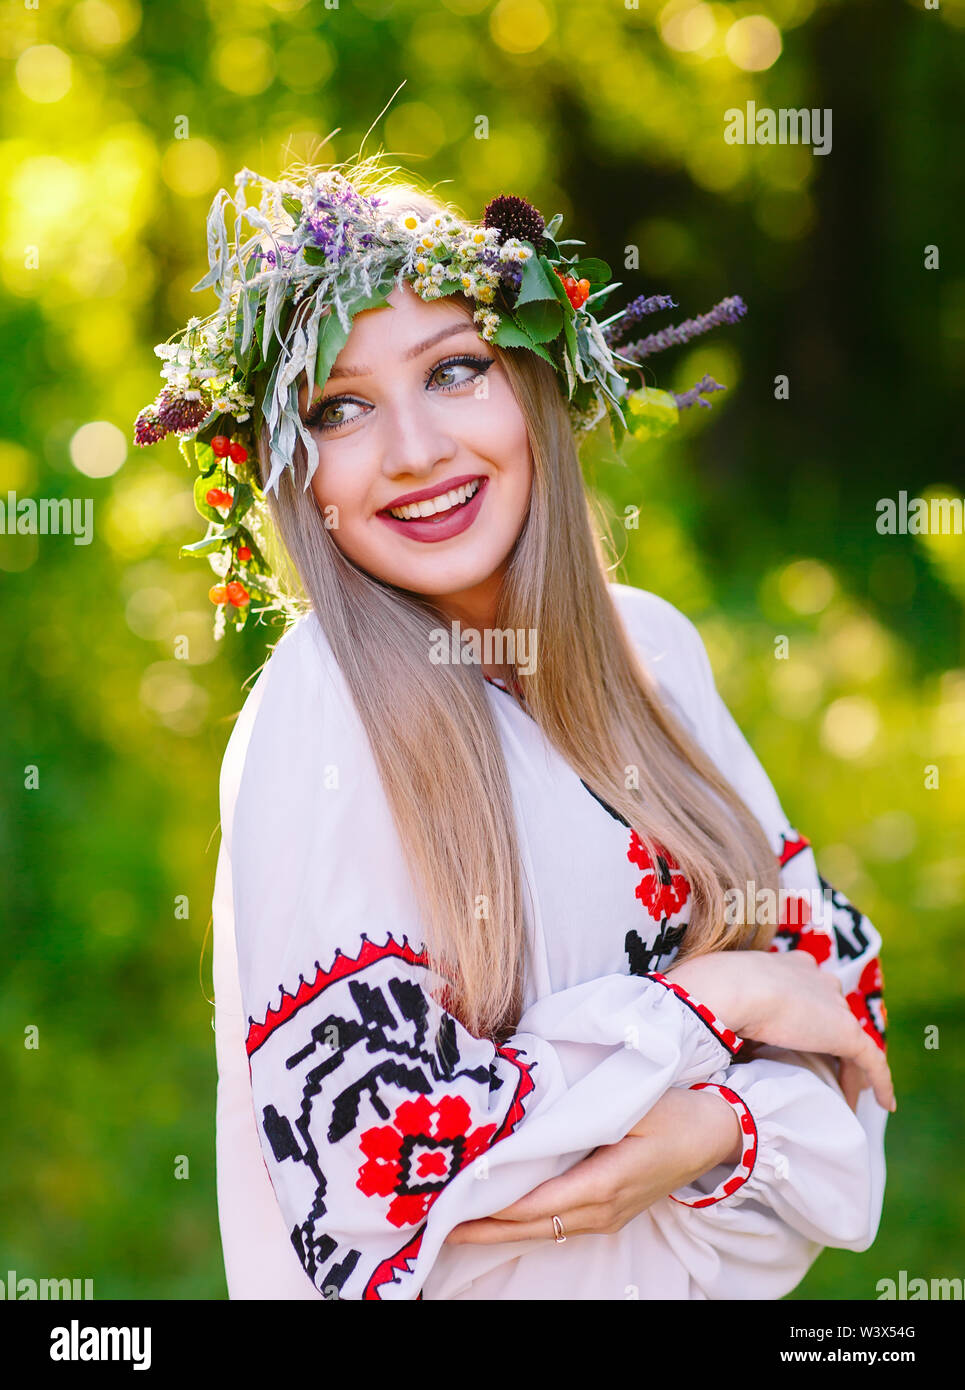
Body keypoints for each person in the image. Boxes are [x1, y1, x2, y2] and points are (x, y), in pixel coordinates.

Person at [135, 153, 893, 1301]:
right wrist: (712, 1008)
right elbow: (379, 1175)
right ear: (296, 475)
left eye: (453, 371)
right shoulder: (324, 711)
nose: (414, 451)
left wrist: (715, 1128)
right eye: (340, 408)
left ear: (534, 383)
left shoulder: (656, 659)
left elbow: (843, 1027)